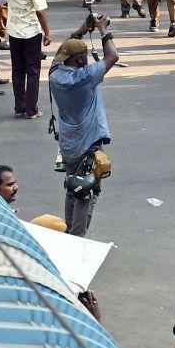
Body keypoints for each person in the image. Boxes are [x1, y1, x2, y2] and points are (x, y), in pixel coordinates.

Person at [48, 13, 119, 237]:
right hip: (88, 143)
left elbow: (65, 48)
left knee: (73, 187)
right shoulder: (84, 78)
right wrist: (102, 30)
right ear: (80, 60)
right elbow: (112, 56)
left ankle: (69, 231)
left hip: (68, 144)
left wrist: (82, 30)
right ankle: (76, 239)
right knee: (86, 192)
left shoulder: (55, 74)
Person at [4, 0, 50, 119]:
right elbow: (41, 13)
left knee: (17, 70)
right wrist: (47, 33)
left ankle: (19, 108)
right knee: (32, 71)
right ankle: (32, 109)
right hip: (31, 32)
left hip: (14, 32)